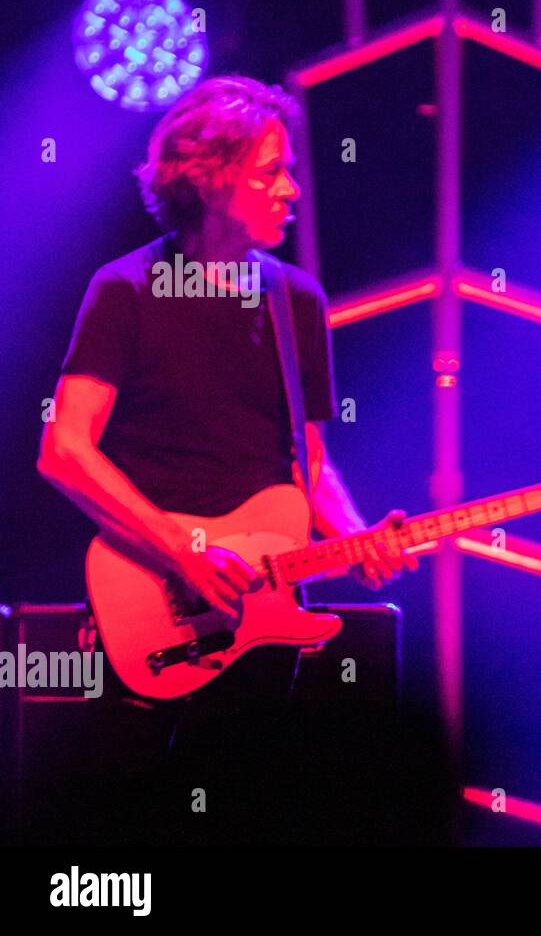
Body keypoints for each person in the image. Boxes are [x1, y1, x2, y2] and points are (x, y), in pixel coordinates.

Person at [35, 75, 417, 843]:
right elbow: (64, 447)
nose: (293, 189)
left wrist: (357, 533)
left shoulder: (296, 299)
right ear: (209, 177)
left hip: (265, 610)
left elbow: (308, 463)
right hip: (152, 600)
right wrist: (181, 550)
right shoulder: (126, 289)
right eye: (270, 170)